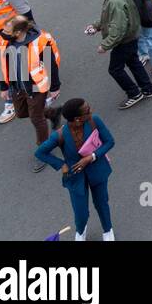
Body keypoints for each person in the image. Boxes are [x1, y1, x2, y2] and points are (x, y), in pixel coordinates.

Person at [35, 98, 116, 241]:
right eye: (87, 111)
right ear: (78, 119)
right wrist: (61, 165)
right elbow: (40, 152)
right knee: (80, 212)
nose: (91, 111)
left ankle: (108, 231)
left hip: (97, 170)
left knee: (102, 203)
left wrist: (91, 157)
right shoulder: (59, 135)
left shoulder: (94, 121)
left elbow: (109, 141)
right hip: (75, 177)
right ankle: (80, 231)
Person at [0, 14, 61, 170]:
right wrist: (3, 86)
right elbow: (2, 63)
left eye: (7, 30)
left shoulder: (40, 41)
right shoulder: (5, 40)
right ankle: (53, 113)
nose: (3, 32)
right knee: (21, 113)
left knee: (36, 118)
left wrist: (55, 87)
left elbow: (50, 64)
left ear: (18, 32)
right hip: (17, 86)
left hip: (36, 86)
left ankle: (44, 150)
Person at [89, 0, 152, 108]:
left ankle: (134, 94)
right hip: (131, 35)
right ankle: (148, 88)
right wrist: (96, 26)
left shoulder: (115, 2)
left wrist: (105, 45)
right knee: (133, 62)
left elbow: (118, 28)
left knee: (115, 69)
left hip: (125, 40)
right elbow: (110, 17)